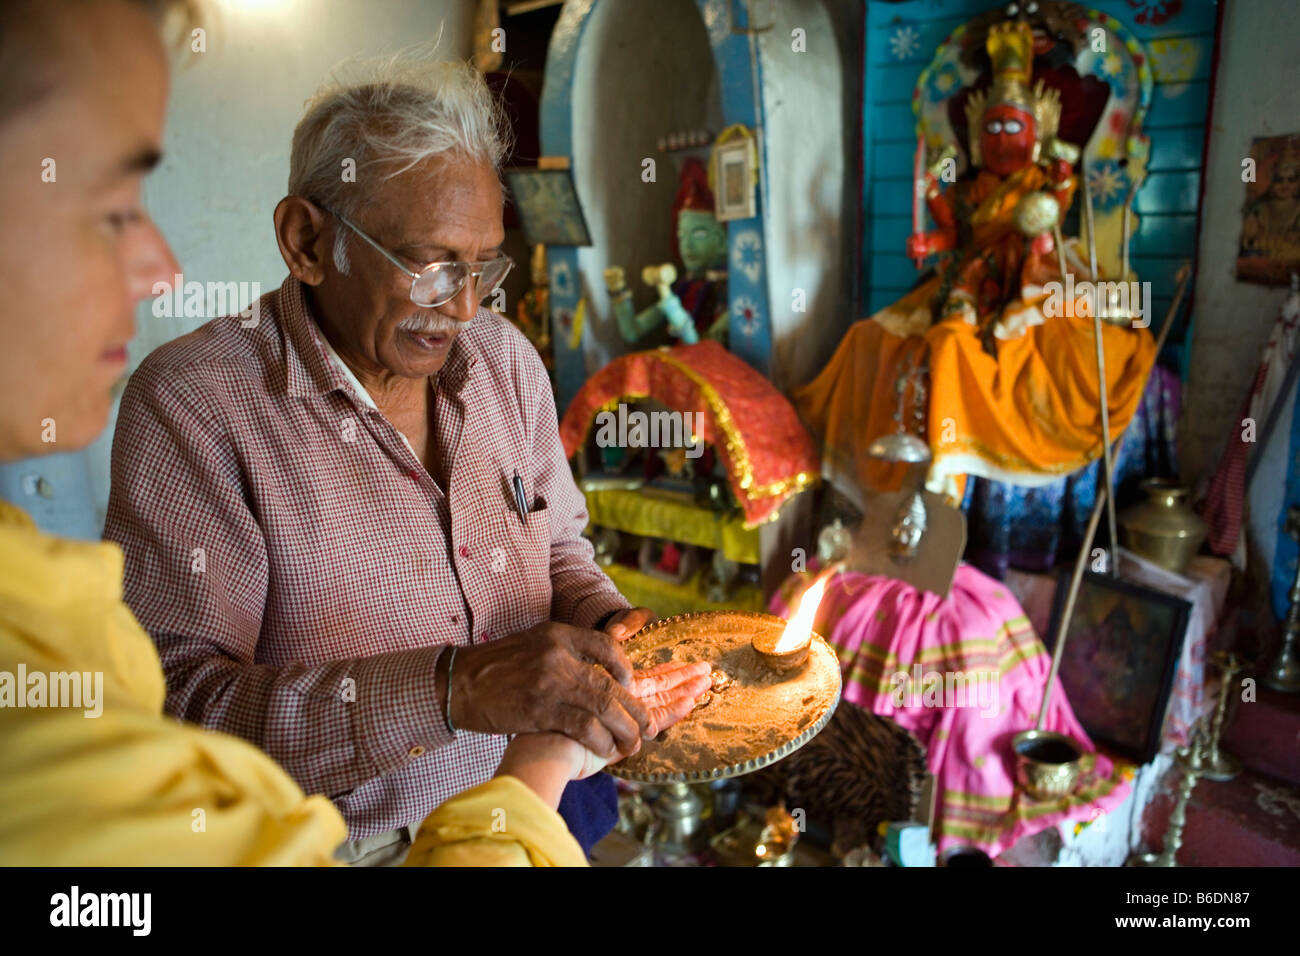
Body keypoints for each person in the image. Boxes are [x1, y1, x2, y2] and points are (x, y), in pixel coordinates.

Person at [0, 0, 710, 866]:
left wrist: (613, 626)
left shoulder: (503, 359)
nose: (464, 305)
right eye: (430, 263)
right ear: (307, 241)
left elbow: (559, 541)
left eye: (483, 264)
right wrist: (453, 690)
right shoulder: (198, 406)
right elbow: (183, 707)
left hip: (544, 805)